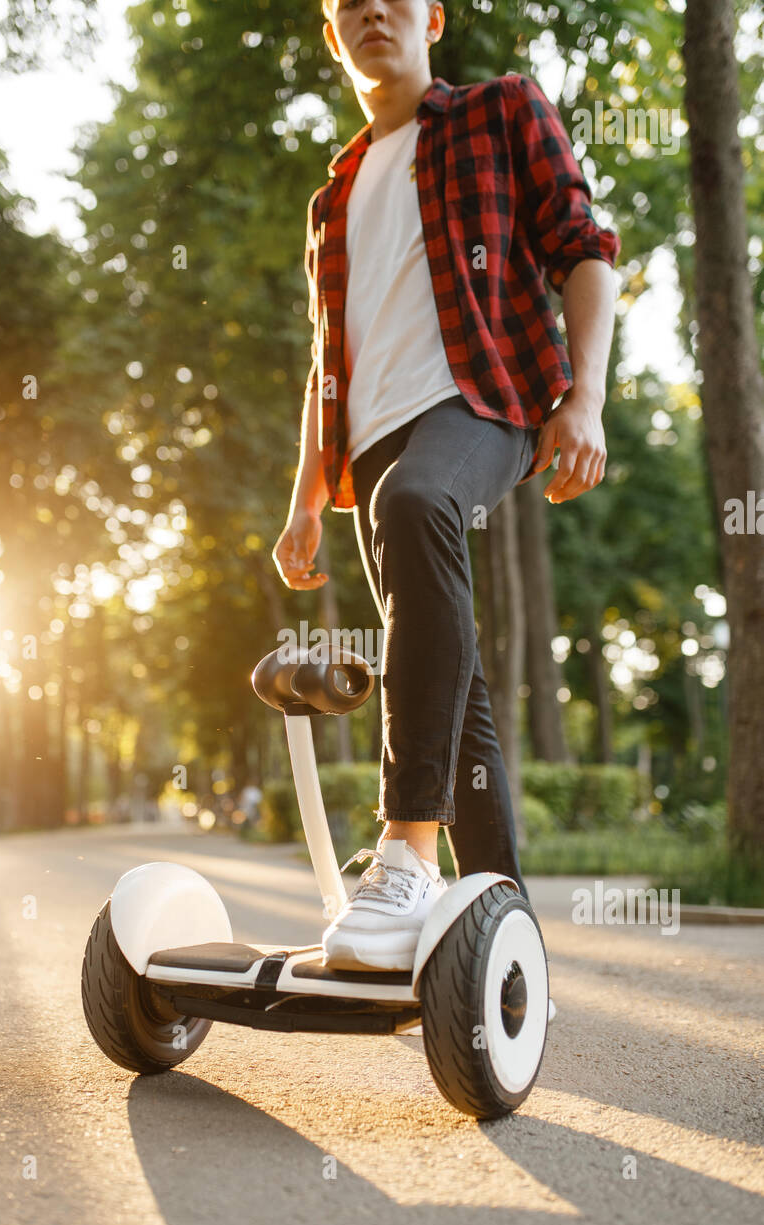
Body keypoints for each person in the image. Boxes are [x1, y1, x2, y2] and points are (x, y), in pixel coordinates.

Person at [272, 0, 620, 971]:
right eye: (348, 2)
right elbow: (324, 359)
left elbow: (585, 251)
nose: (372, 8)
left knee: (418, 503)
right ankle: (508, 956)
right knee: (450, 691)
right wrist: (306, 498)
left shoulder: (501, 112)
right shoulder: (332, 197)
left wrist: (583, 400)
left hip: (489, 401)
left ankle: (406, 850)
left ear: (432, 16)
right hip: (376, 444)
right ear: (333, 35)